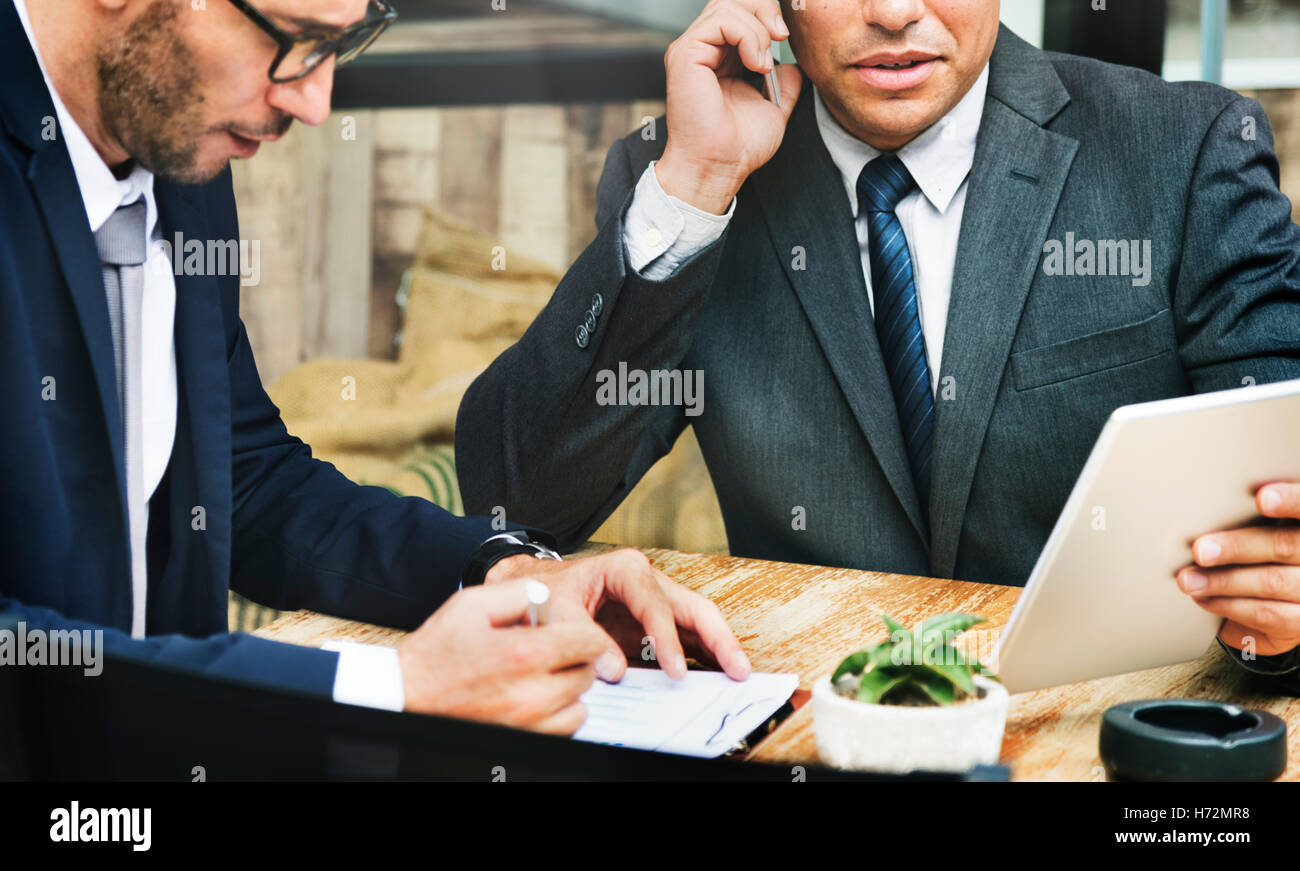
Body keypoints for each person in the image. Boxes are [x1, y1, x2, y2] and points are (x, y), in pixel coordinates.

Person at [456, 0, 1300, 678]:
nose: (895, 12)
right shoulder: (691, 174)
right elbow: (520, 503)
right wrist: (696, 189)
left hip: (1108, 728)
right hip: (816, 726)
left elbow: (1279, 507)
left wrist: (1281, 624)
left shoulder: (1185, 153)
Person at [0, 0, 752, 738]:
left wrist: (511, 573)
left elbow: (245, 481)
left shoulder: (174, 143)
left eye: (345, 40)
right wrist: (391, 689)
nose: (317, 101)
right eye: (293, 39)